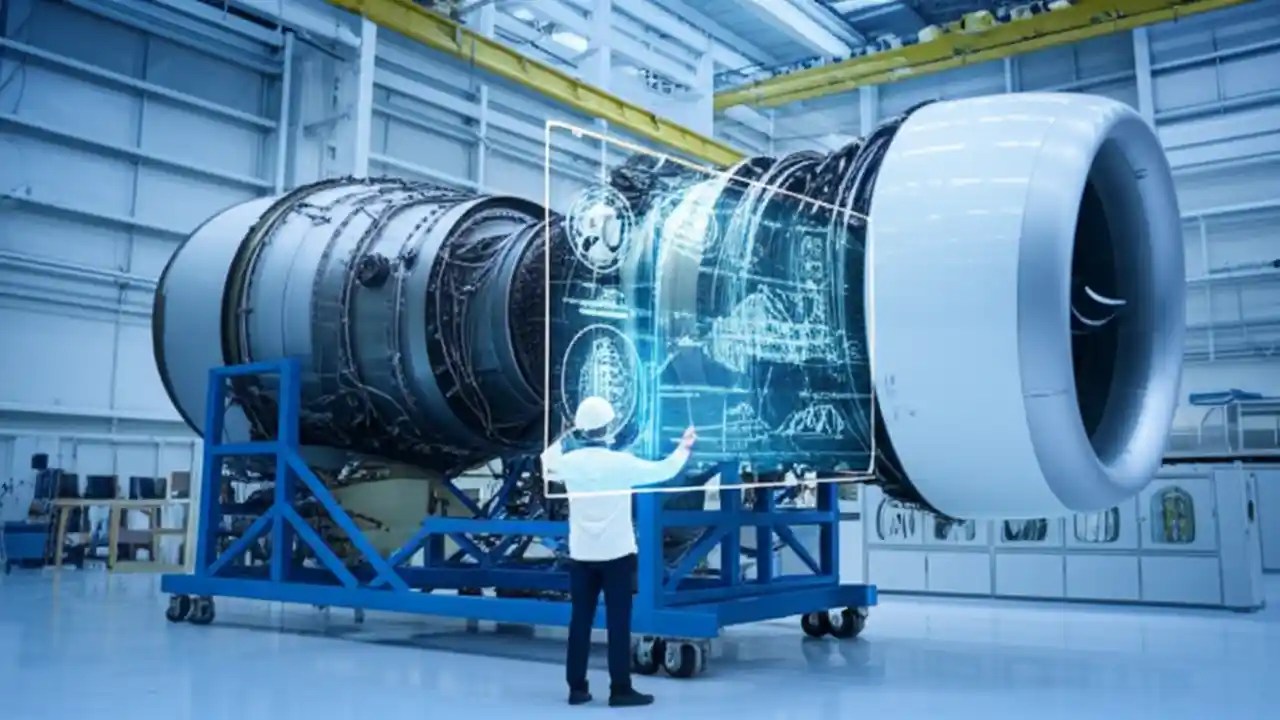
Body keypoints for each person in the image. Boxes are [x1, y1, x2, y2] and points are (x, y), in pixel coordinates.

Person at [540, 396, 697, 708]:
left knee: (580, 622)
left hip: (581, 556)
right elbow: (664, 470)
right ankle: (620, 689)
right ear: (609, 427)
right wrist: (685, 446)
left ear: (583, 429)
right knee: (618, 623)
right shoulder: (622, 463)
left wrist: (568, 431)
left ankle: (577, 689)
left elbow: (546, 458)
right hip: (616, 556)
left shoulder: (569, 464)